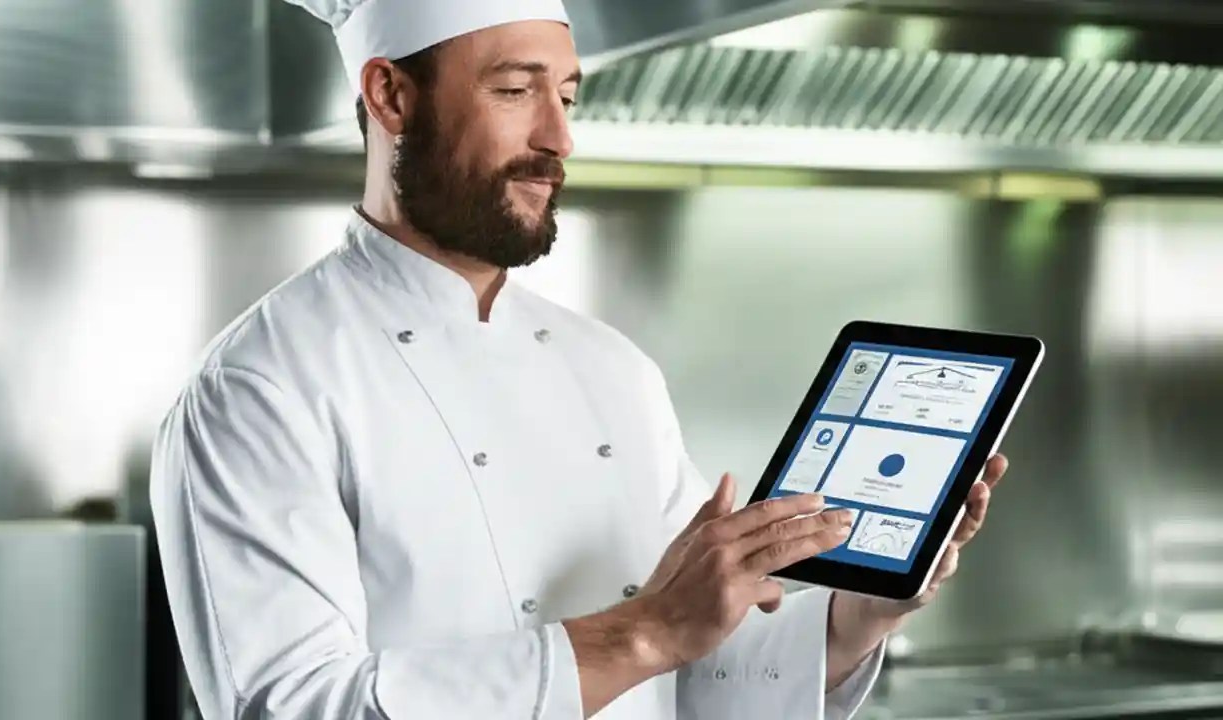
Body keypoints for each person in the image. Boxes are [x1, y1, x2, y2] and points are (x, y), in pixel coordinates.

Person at [149, 1, 1011, 718]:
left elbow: (695, 679)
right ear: (391, 96)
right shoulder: (261, 387)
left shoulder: (614, 372)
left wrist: (861, 613)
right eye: (515, 89)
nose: (558, 136)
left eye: (568, 93)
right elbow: (292, 706)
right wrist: (642, 632)